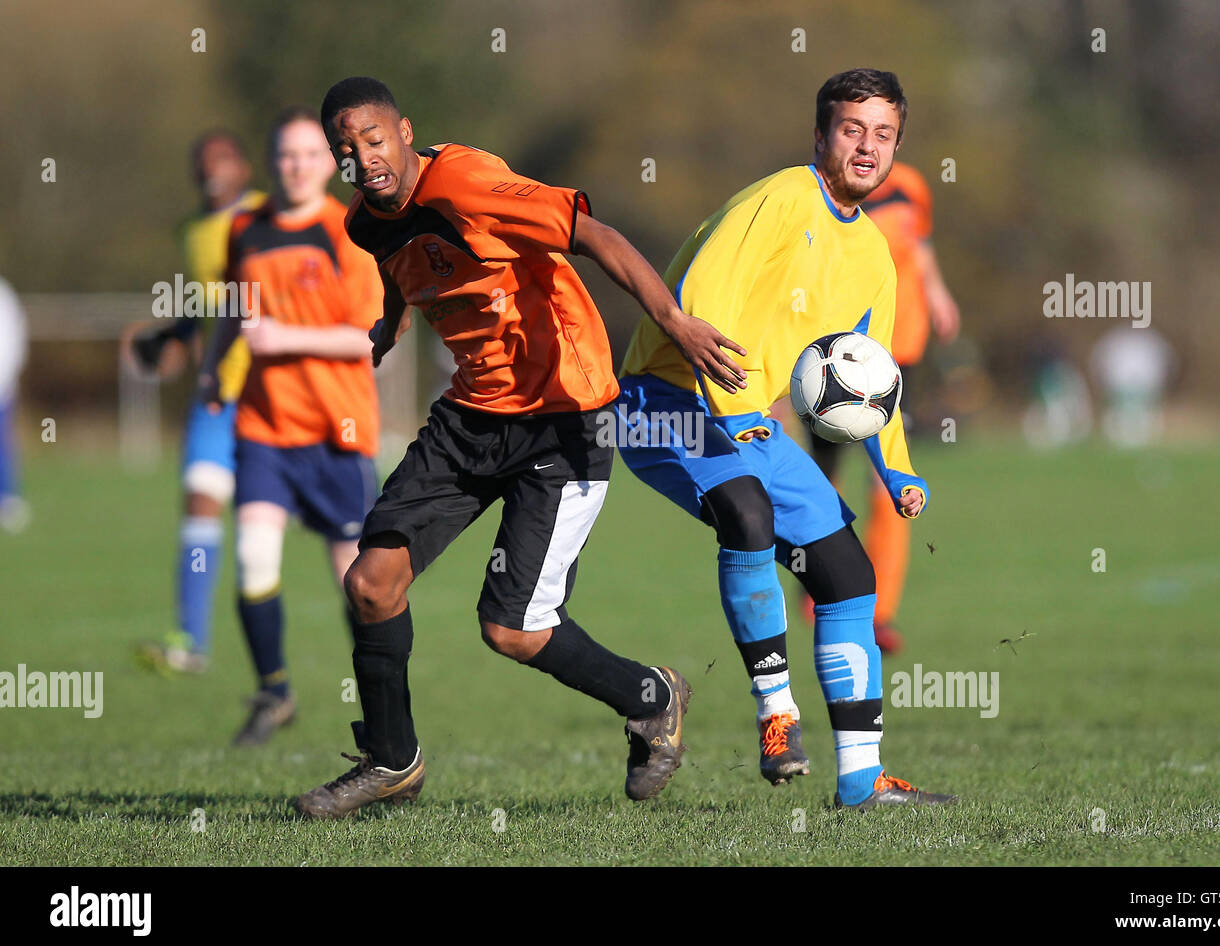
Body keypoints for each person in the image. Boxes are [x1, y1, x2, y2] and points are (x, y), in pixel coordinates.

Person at [293, 77, 747, 818]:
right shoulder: (364, 224)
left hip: (565, 418)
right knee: (371, 585)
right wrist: (391, 321)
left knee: (512, 629)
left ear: (404, 131)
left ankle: (653, 696)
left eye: (374, 140)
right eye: (347, 149)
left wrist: (675, 321)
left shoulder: (470, 184)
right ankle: (391, 760)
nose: (365, 158)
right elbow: (399, 263)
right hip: (471, 416)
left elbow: (594, 235)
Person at [618, 69, 955, 808]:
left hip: (749, 422)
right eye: (852, 130)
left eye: (884, 135)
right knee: (747, 512)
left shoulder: (871, 255)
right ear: (820, 136)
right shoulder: (777, 199)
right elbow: (701, 301)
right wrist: (737, 413)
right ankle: (777, 715)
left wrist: (894, 469)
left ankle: (864, 783)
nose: (867, 147)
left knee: (848, 576)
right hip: (660, 402)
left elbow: (873, 379)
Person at [198, 108, 384, 745]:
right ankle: (274, 691)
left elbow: (367, 337)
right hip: (264, 427)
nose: (296, 166)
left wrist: (284, 337)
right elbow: (233, 308)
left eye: (309, 154)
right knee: (252, 559)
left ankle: (382, 719)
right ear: (271, 161)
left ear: (332, 163)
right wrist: (213, 371)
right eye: (285, 154)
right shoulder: (245, 227)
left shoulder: (348, 230)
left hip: (339, 428)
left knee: (359, 587)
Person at [797, 161, 961, 652]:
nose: (871, 144)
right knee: (822, 477)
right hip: (836, 357)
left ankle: (879, 610)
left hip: (896, 353)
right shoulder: (821, 191)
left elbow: (921, 246)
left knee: (890, 478)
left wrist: (937, 294)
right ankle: (817, 584)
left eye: (884, 132)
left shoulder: (912, 184)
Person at [135, 132, 266, 674]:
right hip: (218, 392)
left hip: (277, 391)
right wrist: (172, 336)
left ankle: (379, 624)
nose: (209, 170)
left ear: (243, 165)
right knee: (200, 500)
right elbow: (209, 306)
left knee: (325, 522)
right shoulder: (190, 231)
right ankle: (191, 640)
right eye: (200, 162)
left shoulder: (270, 214)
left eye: (219, 159)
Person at [0, 276, 28, 534]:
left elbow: (11, 343)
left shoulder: (3, 295)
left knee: (2, 443)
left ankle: (7, 498)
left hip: (1, 387)